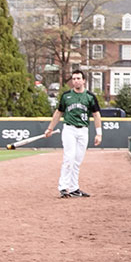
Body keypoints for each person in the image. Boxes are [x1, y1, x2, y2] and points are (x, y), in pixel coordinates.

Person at [46, 70, 103, 199]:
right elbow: (58, 112)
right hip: (69, 129)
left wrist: (99, 133)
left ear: (84, 81)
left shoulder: (90, 96)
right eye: (74, 79)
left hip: (83, 130)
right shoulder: (66, 96)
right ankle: (63, 187)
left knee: (77, 160)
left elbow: (96, 114)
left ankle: (74, 188)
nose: (76, 81)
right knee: (69, 158)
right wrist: (50, 128)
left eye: (78, 78)